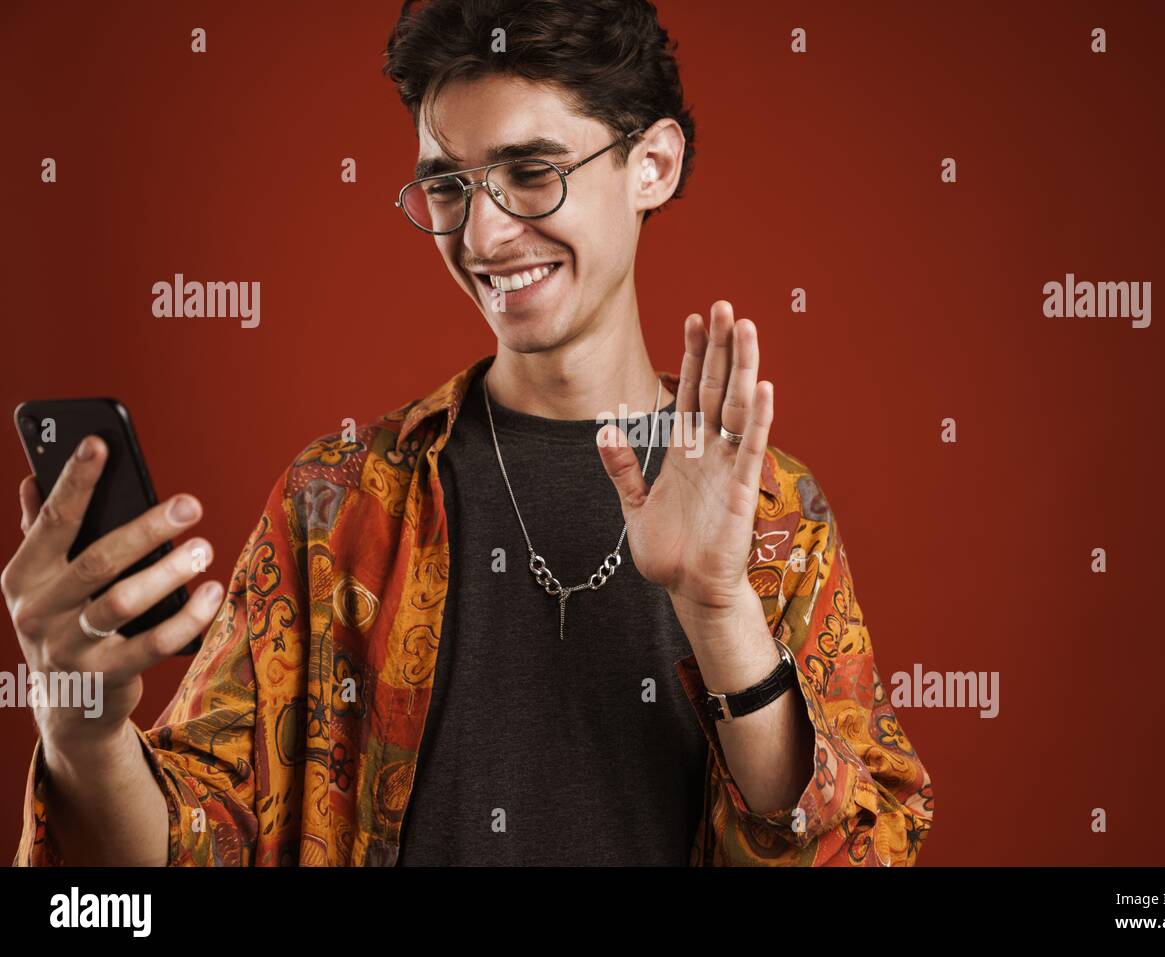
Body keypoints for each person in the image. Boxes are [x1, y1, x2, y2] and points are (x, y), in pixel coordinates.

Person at [7, 0, 933, 866]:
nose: (483, 237)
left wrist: (723, 614)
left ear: (651, 164)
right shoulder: (339, 505)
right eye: (449, 185)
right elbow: (172, 860)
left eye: (532, 173)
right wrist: (82, 728)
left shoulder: (773, 510)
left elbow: (859, 848)